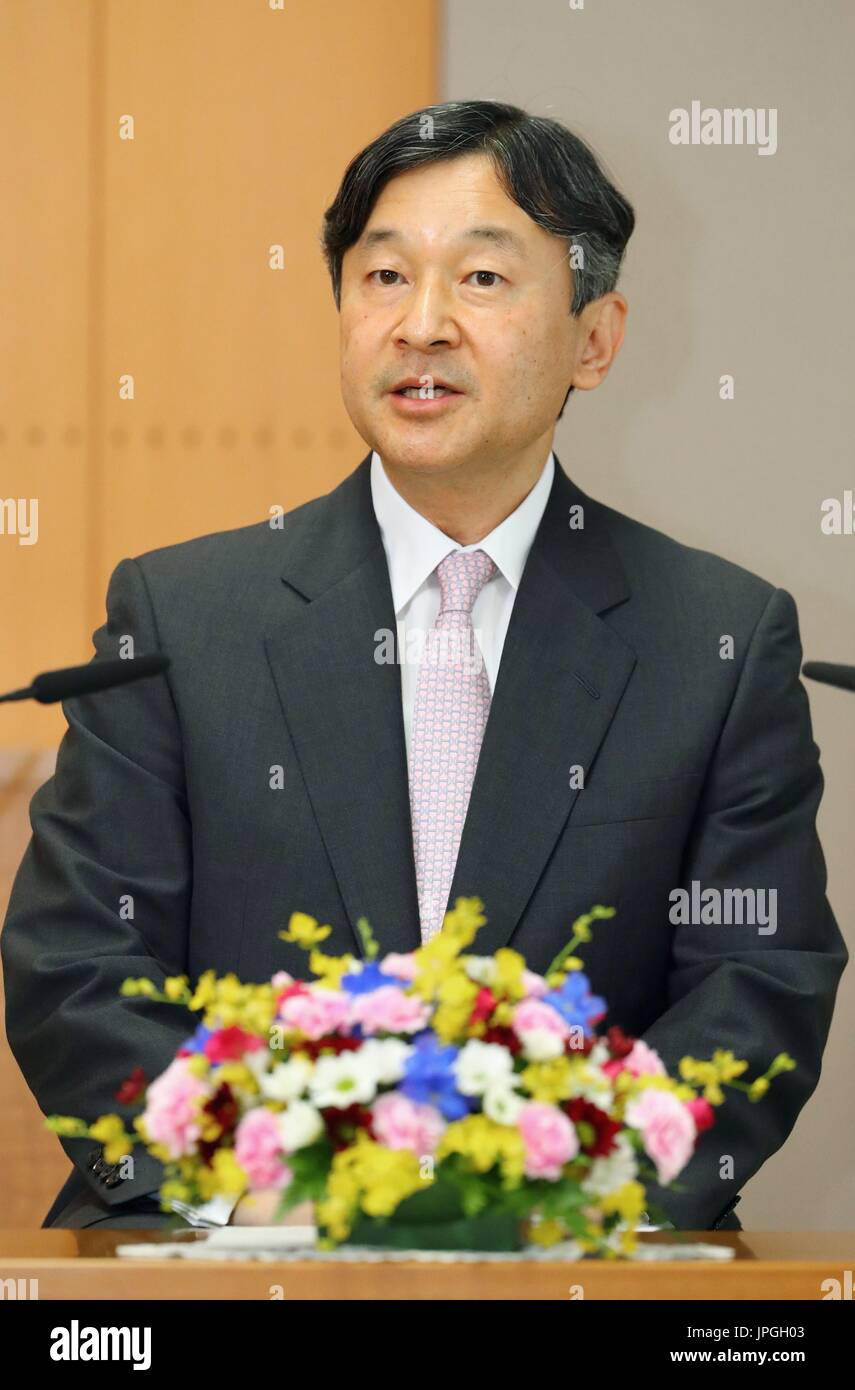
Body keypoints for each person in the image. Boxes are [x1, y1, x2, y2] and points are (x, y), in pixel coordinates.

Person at [2, 101, 846, 1232]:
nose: (423, 324)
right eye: (383, 277)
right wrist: (254, 1186)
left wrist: (552, 1193)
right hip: (219, 1249)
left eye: (484, 280)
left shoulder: (718, 640)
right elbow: (78, 958)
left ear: (595, 338)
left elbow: (759, 978)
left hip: (576, 1257)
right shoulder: (178, 616)